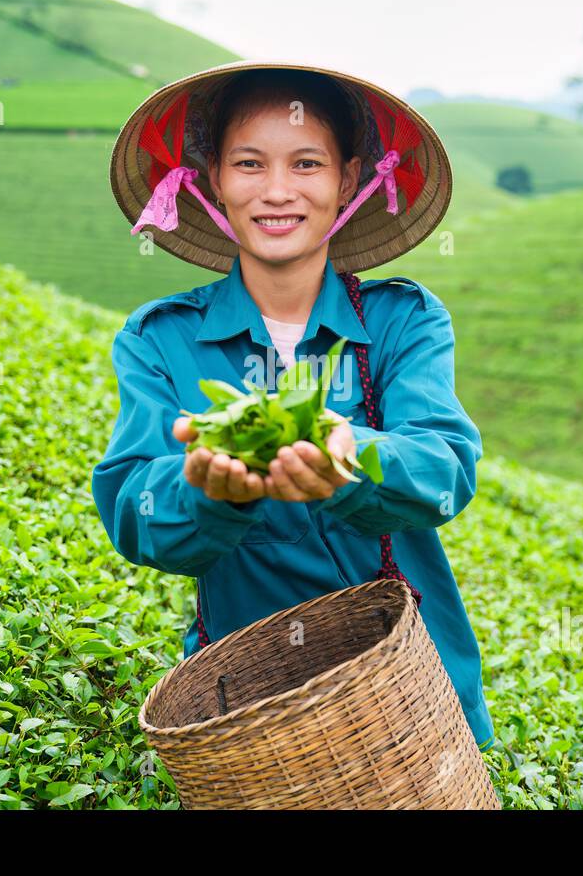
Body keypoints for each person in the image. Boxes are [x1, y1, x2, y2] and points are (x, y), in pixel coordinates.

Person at [92, 61, 495, 752]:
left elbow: (443, 466)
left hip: (408, 695)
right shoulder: (161, 340)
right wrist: (201, 487)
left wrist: (354, 455)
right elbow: (133, 503)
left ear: (348, 178)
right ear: (214, 178)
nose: (277, 191)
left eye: (307, 163)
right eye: (249, 163)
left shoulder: (405, 322)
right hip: (248, 710)